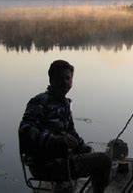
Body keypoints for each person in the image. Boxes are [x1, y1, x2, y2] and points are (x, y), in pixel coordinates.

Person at [19, 60, 111, 193]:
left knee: (97, 156)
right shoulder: (39, 102)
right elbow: (25, 130)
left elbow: (71, 134)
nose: (65, 82)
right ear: (51, 80)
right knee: (104, 162)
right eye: (60, 78)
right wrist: (55, 139)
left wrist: (86, 150)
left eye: (68, 78)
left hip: (61, 161)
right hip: (45, 166)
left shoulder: (64, 104)